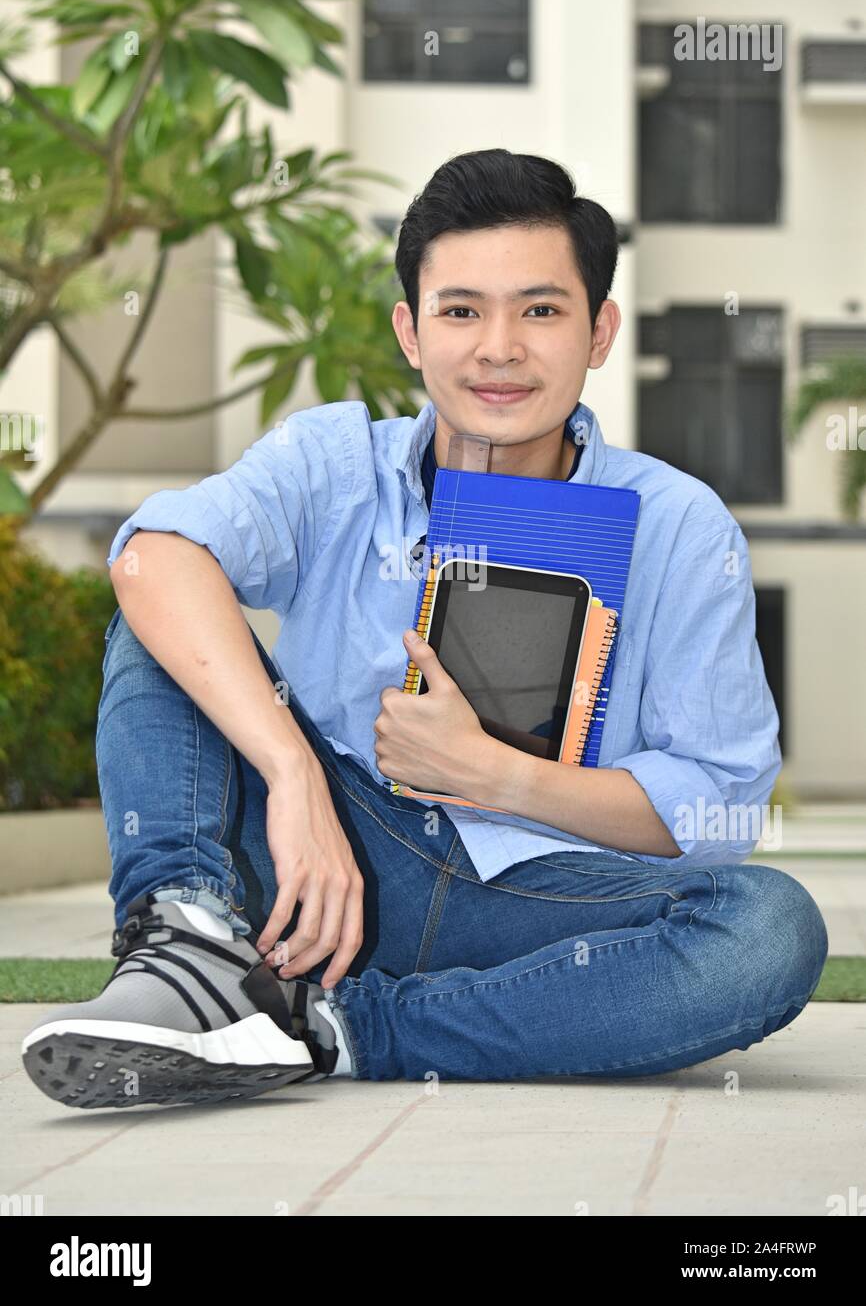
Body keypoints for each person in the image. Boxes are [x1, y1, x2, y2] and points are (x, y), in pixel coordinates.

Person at [22, 148, 827, 1108]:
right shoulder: (336, 461)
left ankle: (333, 1031)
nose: (498, 348)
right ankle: (192, 949)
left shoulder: (681, 524)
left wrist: (498, 775)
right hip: (320, 862)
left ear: (600, 330)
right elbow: (151, 559)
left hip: (532, 895)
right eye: (460, 311)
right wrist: (293, 775)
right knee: (161, 608)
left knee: (769, 930)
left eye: (540, 310)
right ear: (410, 330)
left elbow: (723, 804)